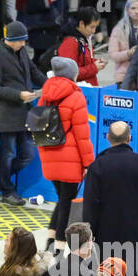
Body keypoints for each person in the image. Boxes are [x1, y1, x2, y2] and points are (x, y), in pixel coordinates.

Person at [83, 122, 138, 276]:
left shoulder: (97, 166)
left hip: (105, 235)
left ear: (108, 138)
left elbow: (90, 204)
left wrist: (89, 234)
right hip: (134, 233)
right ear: (129, 138)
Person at [37, 59, 95, 248]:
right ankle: (60, 246)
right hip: (69, 157)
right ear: (73, 75)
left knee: (63, 199)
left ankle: (51, 238)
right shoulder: (75, 96)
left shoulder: (45, 94)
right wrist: (88, 163)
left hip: (48, 153)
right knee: (67, 202)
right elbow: (82, 135)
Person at [0, 23, 41, 206]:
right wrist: (18, 95)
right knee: (7, 155)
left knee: (27, 155)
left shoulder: (22, 52)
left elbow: (33, 72)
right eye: (21, 41)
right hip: (7, 115)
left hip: (25, 114)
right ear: (11, 40)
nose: (24, 44)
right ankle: (7, 190)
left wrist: (52, 84)